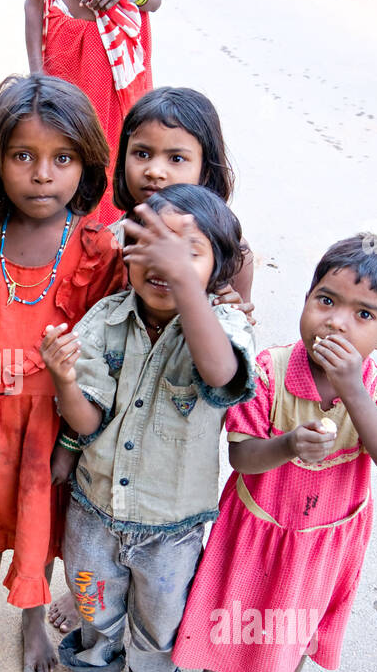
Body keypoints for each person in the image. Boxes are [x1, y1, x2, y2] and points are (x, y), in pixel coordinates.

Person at [173, 235, 377, 672]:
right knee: (232, 608)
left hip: (326, 540)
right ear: (306, 299)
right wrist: (287, 445)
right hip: (255, 525)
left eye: (363, 314)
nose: (336, 322)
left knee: (301, 620)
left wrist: (353, 392)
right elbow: (243, 458)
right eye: (326, 301)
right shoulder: (268, 370)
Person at [40, 185, 255, 672]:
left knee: (159, 624)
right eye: (151, 248)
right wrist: (64, 379)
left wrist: (186, 286)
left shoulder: (224, 325)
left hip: (171, 529)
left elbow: (219, 376)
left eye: (189, 252)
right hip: (95, 508)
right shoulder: (107, 319)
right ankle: (91, 669)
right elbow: (87, 425)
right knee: (91, 602)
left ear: (220, 268)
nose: (166, 264)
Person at [0, 74, 125, 672]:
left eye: (61, 159)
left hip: (54, 422)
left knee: (40, 525)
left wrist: (71, 439)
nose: (42, 175)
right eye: (23, 157)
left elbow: (104, 350)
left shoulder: (93, 248)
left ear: (85, 162)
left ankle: (32, 617)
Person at [47, 85, 257, 633]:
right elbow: (95, 355)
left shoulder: (226, 250)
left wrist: (198, 286)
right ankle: (92, 604)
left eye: (176, 158)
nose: (156, 172)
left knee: (158, 600)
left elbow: (233, 344)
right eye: (142, 154)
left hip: (177, 423)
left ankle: (141, 651)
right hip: (105, 413)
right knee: (91, 548)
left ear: (207, 170)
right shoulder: (111, 240)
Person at [25, 0, 161, 224]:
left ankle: (108, 236)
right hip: (69, 51)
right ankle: (67, 239)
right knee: (68, 144)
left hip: (123, 59)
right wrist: (37, 76)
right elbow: (34, 3)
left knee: (116, 148)